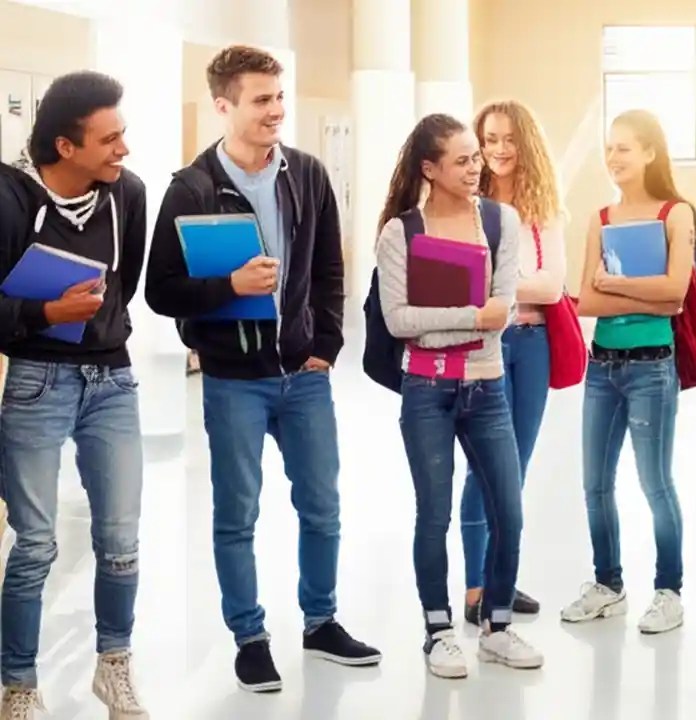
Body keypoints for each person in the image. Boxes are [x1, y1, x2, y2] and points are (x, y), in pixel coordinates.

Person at [145, 45, 380, 694]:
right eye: (261, 99)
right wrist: (228, 285)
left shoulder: (305, 174)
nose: (277, 110)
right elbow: (160, 290)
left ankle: (321, 620)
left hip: (303, 375)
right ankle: (250, 636)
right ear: (223, 106)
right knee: (236, 515)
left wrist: (325, 347)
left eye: (280, 96)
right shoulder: (190, 188)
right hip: (232, 380)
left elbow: (331, 269)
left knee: (323, 505)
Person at [0, 71, 149, 719]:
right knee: (35, 543)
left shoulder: (129, 195)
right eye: (110, 139)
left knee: (120, 540)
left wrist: (86, 320)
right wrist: (43, 313)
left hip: (112, 381)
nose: (124, 149)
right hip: (35, 378)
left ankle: (113, 665)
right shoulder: (7, 198)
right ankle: (18, 686)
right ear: (67, 146)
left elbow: (126, 286)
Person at [375, 113, 542, 678]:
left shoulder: (500, 222)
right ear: (430, 169)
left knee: (510, 513)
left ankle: (497, 625)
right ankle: (438, 630)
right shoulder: (401, 233)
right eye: (463, 160)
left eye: (477, 157)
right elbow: (399, 320)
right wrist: (471, 316)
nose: (476, 168)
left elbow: (504, 314)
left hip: (487, 384)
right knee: (434, 514)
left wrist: (459, 322)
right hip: (425, 389)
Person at [561, 109, 689, 635]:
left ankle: (669, 590)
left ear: (650, 153)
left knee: (655, 483)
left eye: (625, 148)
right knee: (595, 484)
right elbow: (585, 299)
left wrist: (615, 285)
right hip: (602, 369)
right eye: (609, 148)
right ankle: (608, 585)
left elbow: (675, 295)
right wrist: (640, 289)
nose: (614, 158)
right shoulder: (601, 218)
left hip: (651, 370)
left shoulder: (674, 214)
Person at [459, 100, 567, 625]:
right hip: (486, 345)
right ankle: (477, 590)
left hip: (534, 345)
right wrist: (509, 290)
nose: (499, 149)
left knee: (515, 468)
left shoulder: (542, 208)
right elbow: (458, 283)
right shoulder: (464, 206)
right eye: (490, 138)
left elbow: (553, 286)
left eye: (509, 139)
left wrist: (497, 286)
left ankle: (501, 578)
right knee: (483, 468)